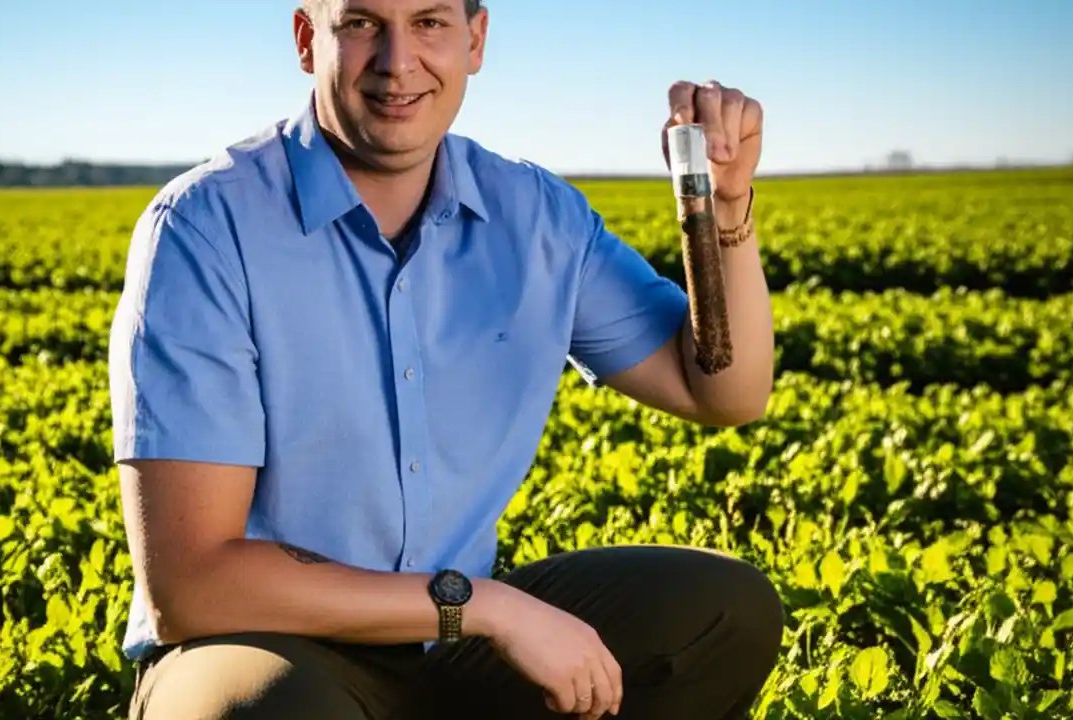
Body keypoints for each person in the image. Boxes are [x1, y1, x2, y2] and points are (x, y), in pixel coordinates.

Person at [108, 0, 783, 718]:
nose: (399, 62)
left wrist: (723, 201)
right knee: (265, 708)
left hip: (455, 653)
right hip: (270, 644)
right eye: (363, 23)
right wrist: (481, 607)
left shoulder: (537, 216)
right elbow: (192, 587)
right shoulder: (207, 227)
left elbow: (724, 392)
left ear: (475, 40)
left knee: (721, 610)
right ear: (310, 40)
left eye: (429, 22)